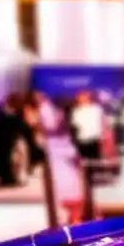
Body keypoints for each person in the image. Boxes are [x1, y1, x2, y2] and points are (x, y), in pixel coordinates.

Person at [30, 92, 85, 225]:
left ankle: (73, 216)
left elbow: (50, 127)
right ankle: (73, 215)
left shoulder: (46, 109)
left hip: (58, 150)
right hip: (62, 149)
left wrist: (38, 125)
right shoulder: (54, 110)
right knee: (69, 184)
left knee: (67, 184)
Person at [69, 90, 107, 162]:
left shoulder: (96, 109)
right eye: (79, 98)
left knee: (96, 159)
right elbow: (75, 125)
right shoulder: (76, 111)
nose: (82, 100)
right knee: (86, 160)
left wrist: (103, 135)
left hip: (95, 138)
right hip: (83, 139)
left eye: (84, 98)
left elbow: (103, 122)